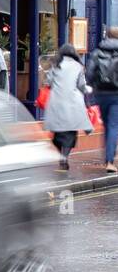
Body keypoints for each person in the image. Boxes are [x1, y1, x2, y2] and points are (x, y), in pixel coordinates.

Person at [44, 44, 91, 170]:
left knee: (57, 134)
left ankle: (61, 156)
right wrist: (88, 90)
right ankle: (64, 157)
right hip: (72, 103)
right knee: (70, 132)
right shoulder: (78, 66)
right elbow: (81, 85)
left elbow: (48, 82)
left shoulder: (55, 65)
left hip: (56, 102)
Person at [85, 25, 118, 173]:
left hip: (101, 94)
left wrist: (94, 87)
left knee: (107, 125)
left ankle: (108, 155)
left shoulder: (97, 52)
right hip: (116, 94)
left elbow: (90, 73)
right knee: (113, 126)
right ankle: (110, 160)